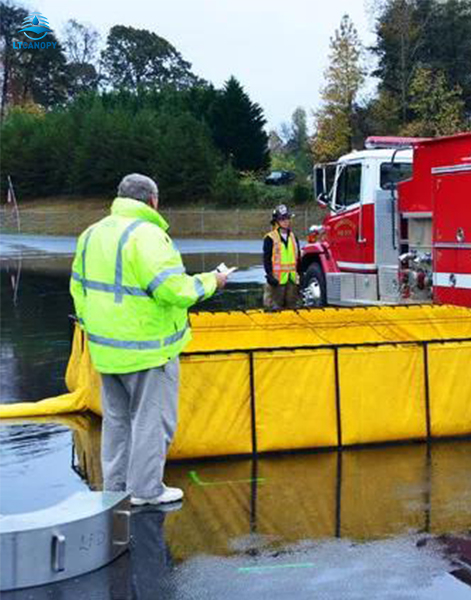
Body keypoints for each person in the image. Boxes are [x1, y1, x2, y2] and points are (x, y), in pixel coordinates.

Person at [69, 173, 227, 506]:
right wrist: (213, 281)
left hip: (106, 351)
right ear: (152, 200)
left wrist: (98, 328)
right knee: (152, 422)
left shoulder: (90, 234)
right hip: (148, 352)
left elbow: (78, 290)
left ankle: (116, 487)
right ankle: (147, 490)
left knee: (117, 421)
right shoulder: (148, 236)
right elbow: (175, 289)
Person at [262, 204, 301, 310]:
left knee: (292, 309)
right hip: (276, 281)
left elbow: (298, 258)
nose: (286, 221)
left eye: (287, 218)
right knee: (274, 309)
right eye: (283, 219)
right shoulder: (270, 238)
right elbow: (266, 259)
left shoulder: (293, 237)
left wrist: (300, 274)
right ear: (277, 221)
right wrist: (269, 275)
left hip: (292, 280)